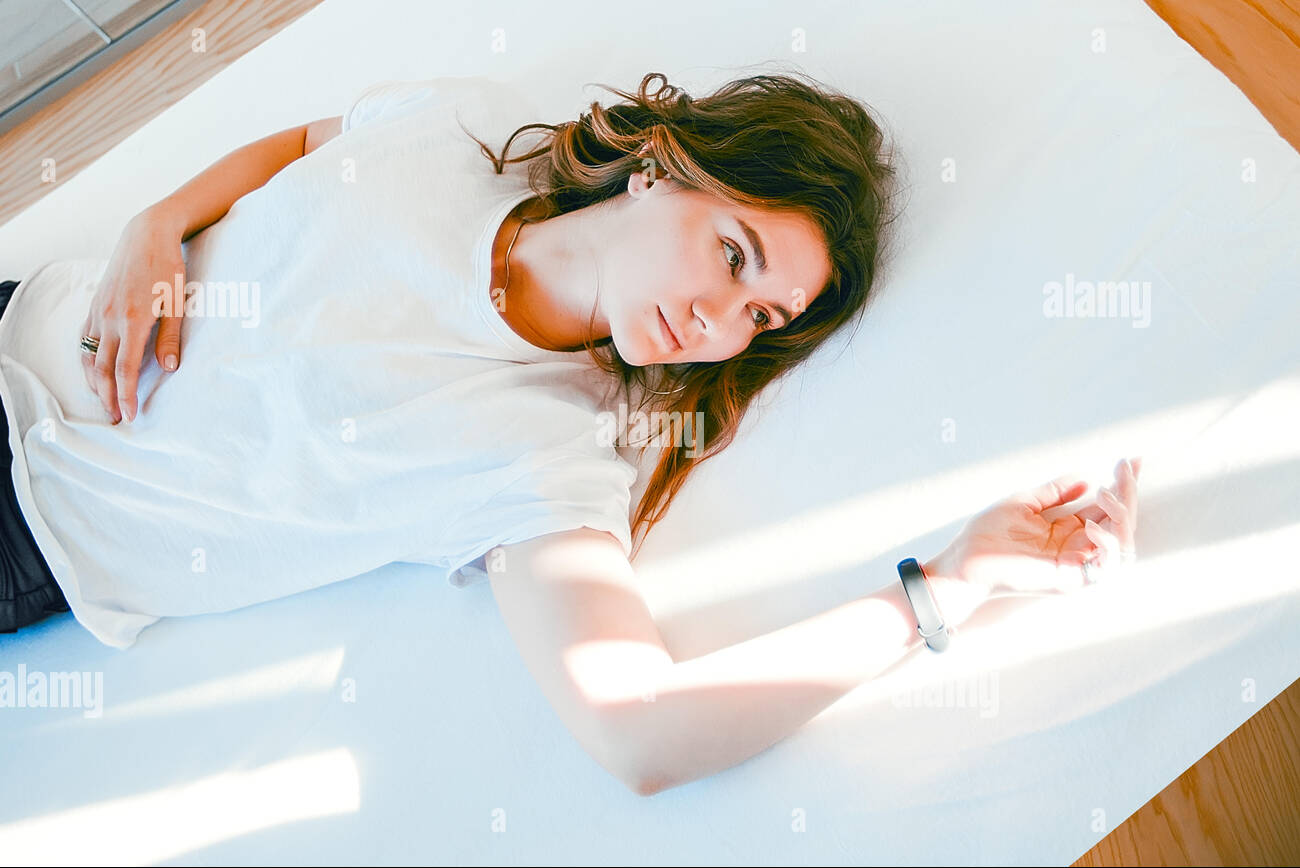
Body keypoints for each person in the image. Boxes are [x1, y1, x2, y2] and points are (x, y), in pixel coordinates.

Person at [0, 70, 1141, 795]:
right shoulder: (452, 127)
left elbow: (641, 731)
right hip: (23, 311)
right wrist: (159, 222)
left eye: (760, 318)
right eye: (733, 255)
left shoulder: (543, 458)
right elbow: (308, 139)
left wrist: (946, 583)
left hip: (25, 520)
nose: (715, 322)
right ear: (660, 170)